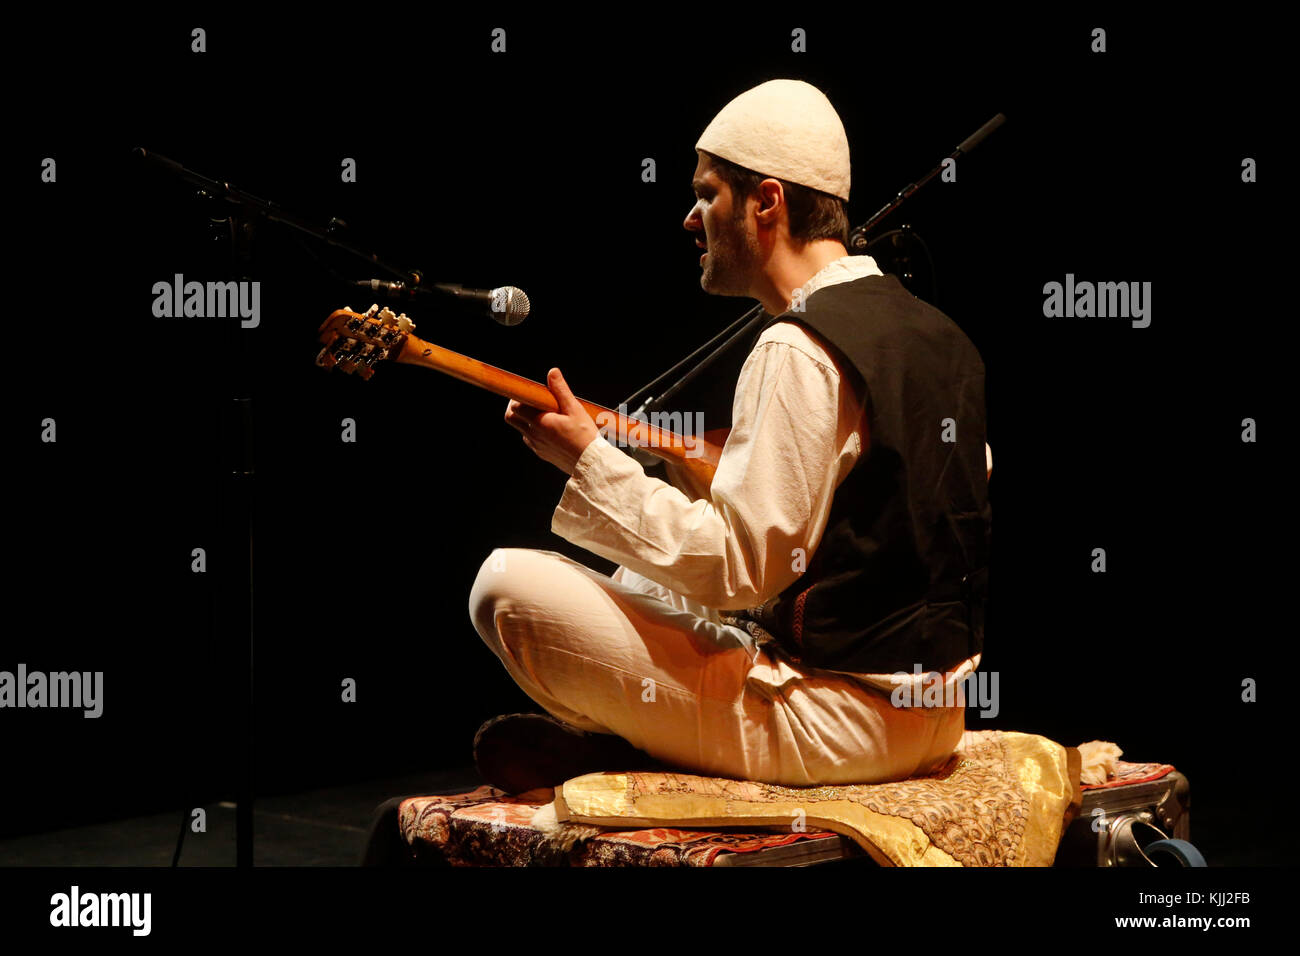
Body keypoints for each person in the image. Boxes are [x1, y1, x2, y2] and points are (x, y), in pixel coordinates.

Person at [468, 78, 990, 792]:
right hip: (938, 713)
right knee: (637, 575)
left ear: (766, 202)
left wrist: (587, 460)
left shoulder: (797, 347)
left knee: (504, 587)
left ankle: (639, 750)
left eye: (707, 194)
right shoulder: (943, 337)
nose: (691, 219)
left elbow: (742, 564)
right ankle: (648, 742)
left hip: (840, 722)